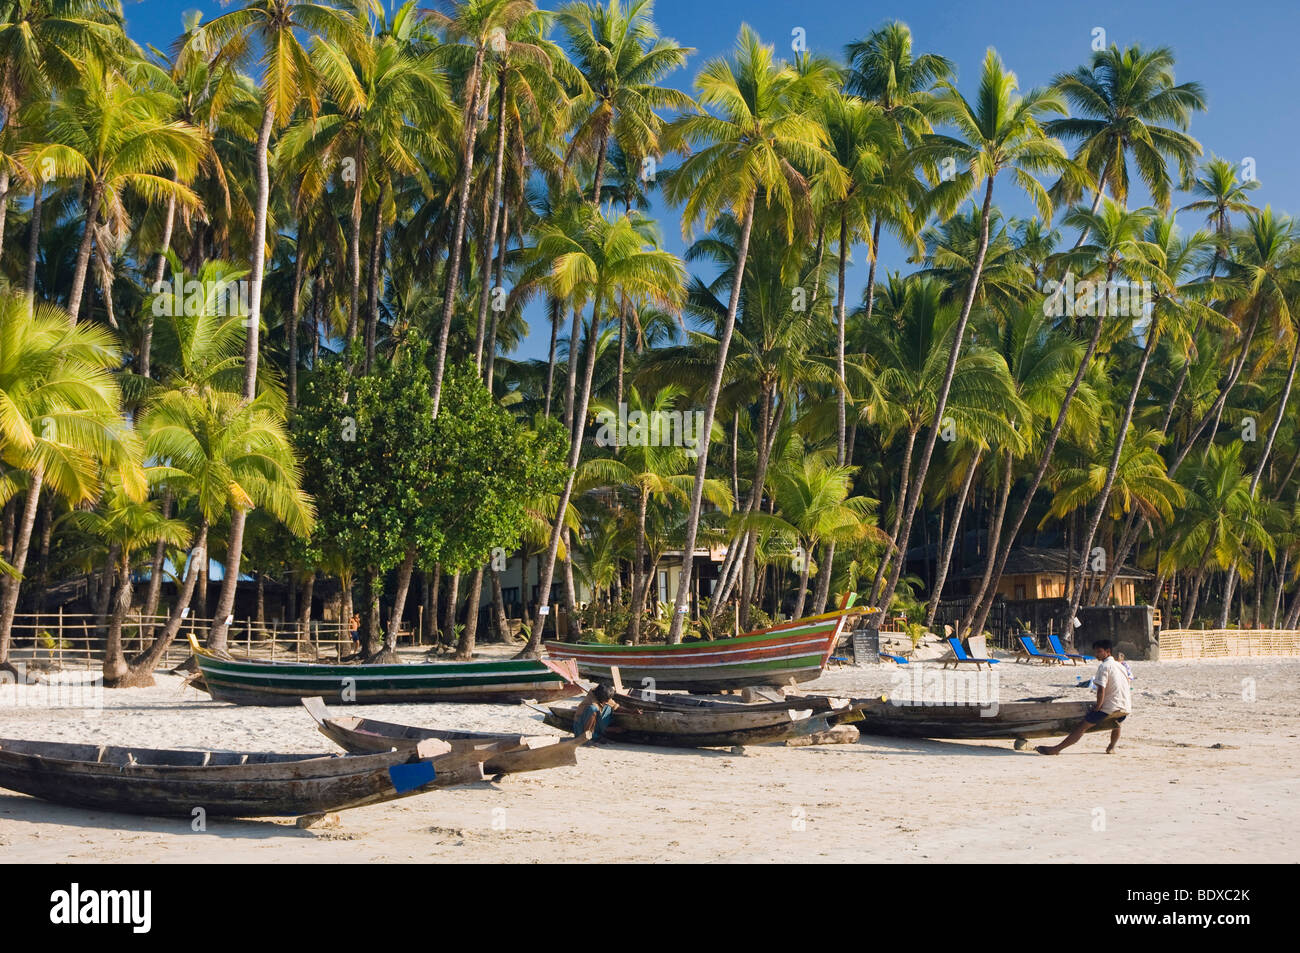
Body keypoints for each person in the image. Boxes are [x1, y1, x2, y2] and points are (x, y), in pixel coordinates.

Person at [1037, 639, 1131, 755]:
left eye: (1099, 652)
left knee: (1082, 727)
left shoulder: (1104, 666)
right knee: (1116, 724)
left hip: (1111, 706)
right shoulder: (1120, 666)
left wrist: (1097, 707)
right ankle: (1111, 747)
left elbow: (1101, 690)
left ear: (1108, 651)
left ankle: (1056, 749)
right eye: (1095, 652)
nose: (1096, 655)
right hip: (1126, 705)